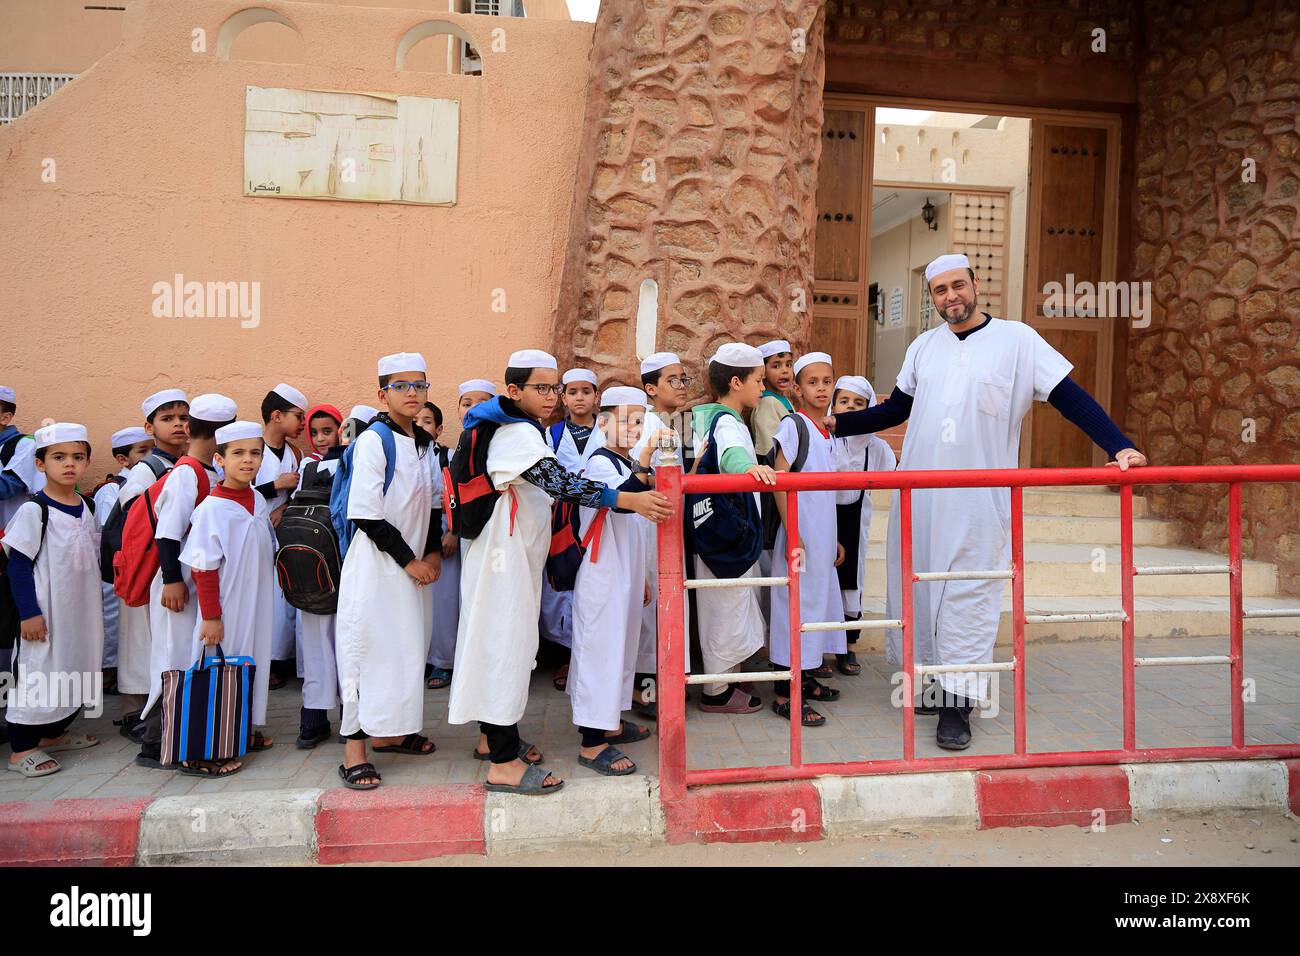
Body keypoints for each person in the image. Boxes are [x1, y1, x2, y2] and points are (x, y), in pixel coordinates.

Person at [828, 252, 1148, 750]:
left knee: (969, 594)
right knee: (921, 591)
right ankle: (935, 682)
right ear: (931, 297)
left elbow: (1069, 397)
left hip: (980, 500)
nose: (950, 296)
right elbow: (896, 409)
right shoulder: (923, 347)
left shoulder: (1018, 340)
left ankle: (959, 706)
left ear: (975, 285)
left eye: (958, 285)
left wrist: (1119, 445)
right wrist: (834, 424)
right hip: (921, 498)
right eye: (939, 290)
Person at [448, 349, 671, 795]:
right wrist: (630, 500)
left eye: (554, 387)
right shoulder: (513, 432)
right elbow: (562, 484)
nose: (552, 397)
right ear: (514, 391)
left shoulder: (516, 427)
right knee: (504, 652)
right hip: (502, 562)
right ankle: (504, 764)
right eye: (543, 388)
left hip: (511, 558)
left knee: (505, 648)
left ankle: (494, 740)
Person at [335, 353, 443, 791]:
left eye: (419, 384)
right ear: (383, 394)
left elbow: (435, 504)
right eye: (401, 386)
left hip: (413, 569)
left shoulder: (424, 443)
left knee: (407, 650)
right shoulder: (373, 441)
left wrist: (432, 553)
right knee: (366, 652)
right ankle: (354, 751)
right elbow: (365, 513)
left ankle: (393, 732)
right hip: (378, 567)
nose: (412, 393)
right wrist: (410, 560)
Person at [569, 386, 664, 775]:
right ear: (603, 423)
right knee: (600, 653)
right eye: (625, 421)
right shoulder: (599, 463)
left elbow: (638, 530)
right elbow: (624, 498)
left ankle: (611, 724)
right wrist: (645, 456)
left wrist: (640, 577)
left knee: (621, 651)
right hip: (603, 574)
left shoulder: (624, 461)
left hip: (625, 575)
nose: (633, 428)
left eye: (639, 421)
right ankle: (592, 744)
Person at [137, 394, 236, 768]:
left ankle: (187, 737)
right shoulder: (186, 473)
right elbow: (167, 534)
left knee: (189, 659)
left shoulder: (209, 471)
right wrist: (172, 581)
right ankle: (156, 745)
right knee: (174, 661)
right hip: (176, 585)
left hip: (194, 586)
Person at [3, 423, 103, 777]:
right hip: (45, 613)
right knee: (38, 674)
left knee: (73, 667)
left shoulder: (87, 505)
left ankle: (53, 734)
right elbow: (17, 567)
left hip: (79, 613)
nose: (69, 464)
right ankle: (21, 750)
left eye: (77, 456)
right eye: (58, 457)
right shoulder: (35, 511)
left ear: (87, 460)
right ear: (41, 464)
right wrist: (29, 614)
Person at [179, 420, 277, 777]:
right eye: (238, 453)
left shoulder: (257, 499)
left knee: (249, 664)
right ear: (219, 459)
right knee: (216, 668)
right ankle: (202, 750)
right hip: (226, 606)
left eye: (255, 453)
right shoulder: (211, 509)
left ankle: (239, 731)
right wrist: (211, 616)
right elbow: (203, 568)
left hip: (257, 602)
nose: (247, 460)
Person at [690, 342, 778, 714]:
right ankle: (718, 693)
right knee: (725, 608)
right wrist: (748, 468)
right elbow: (730, 455)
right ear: (737, 381)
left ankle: (728, 680)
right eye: (759, 380)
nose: (764, 387)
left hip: (724, 535)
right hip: (726, 539)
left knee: (730, 604)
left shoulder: (718, 418)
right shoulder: (726, 422)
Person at [768, 352, 846, 727]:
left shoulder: (827, 431)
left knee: (816, 605)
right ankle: (786, 694)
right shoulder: (794, 425)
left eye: (827, 381)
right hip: (799, 536)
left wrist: (833, 539)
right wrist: (794, 532)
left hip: (821, 535)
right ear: (798, 389)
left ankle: (808, 677)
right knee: (794, 606)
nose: (821, 388)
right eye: (812, 382)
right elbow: (779, 481)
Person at [114, 388, 190, 741]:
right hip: (151, 567)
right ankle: (135, 711)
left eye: (183, 418)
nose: (178, 425)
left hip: (173, 566)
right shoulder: (147, 469)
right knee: (144, 640)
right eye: (168, 419)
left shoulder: (185, 464)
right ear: (150, 427)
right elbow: (133, 522)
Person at [627, 351, 696, 717]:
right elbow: (642, 478)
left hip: (666, 529)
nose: (682, 386)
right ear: (650, 388)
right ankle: (648, 690)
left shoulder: (670, 423)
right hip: (649, 530)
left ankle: (664, 684)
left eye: (684, 379)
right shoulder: (647, 426)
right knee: (653, 605)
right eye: (673, 380)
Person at [830, 375, 895, 678]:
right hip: (826, 518)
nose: (851, 408)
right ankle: (819, 647)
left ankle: (849, 646)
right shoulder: (825, 440)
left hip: (856, 522)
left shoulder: (876, 447)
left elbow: (890, 477)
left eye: (859, 404)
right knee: (824, 581)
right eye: (844, 402)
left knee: (852, 582)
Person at [293, 403, 345, 748]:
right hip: (314, 568)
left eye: (329, 430)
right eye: (315, 432)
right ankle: (313, 716)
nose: (322, 437)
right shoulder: (307, 466)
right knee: (315, 644)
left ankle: (349, 720)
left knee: (345, 644)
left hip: (342, 564)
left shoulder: (351, 459)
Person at [0, 386, 47, 745]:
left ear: (6, 416)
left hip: (14, 552)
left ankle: (20, 720)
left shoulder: (23, 446)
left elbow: (11, 485)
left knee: (12, 636)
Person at [91, 426, 153, 696]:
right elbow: (113, 533)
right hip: (121, 568)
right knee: (116, 621)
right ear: (122, 459)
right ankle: (111, 673)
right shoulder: (112, 491)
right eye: (143, 451)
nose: (150, 456)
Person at [256, 383, 308, 689]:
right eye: (297, 416)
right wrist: (274, 486)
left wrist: (286, 504)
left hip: (284, 532)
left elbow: (297, 492)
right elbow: (231, 490)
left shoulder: (295, 452)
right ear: (277, 415)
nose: (302, 424)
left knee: (281, 599)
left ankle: (280, 659)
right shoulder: (252, 447)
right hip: (253, 533)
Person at [750, 339, 795, 461]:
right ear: (763, 372)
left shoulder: (783, 400)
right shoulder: (767, 403)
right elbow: (768, 449)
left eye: (789, 364)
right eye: (776, 366)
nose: (785, 370)